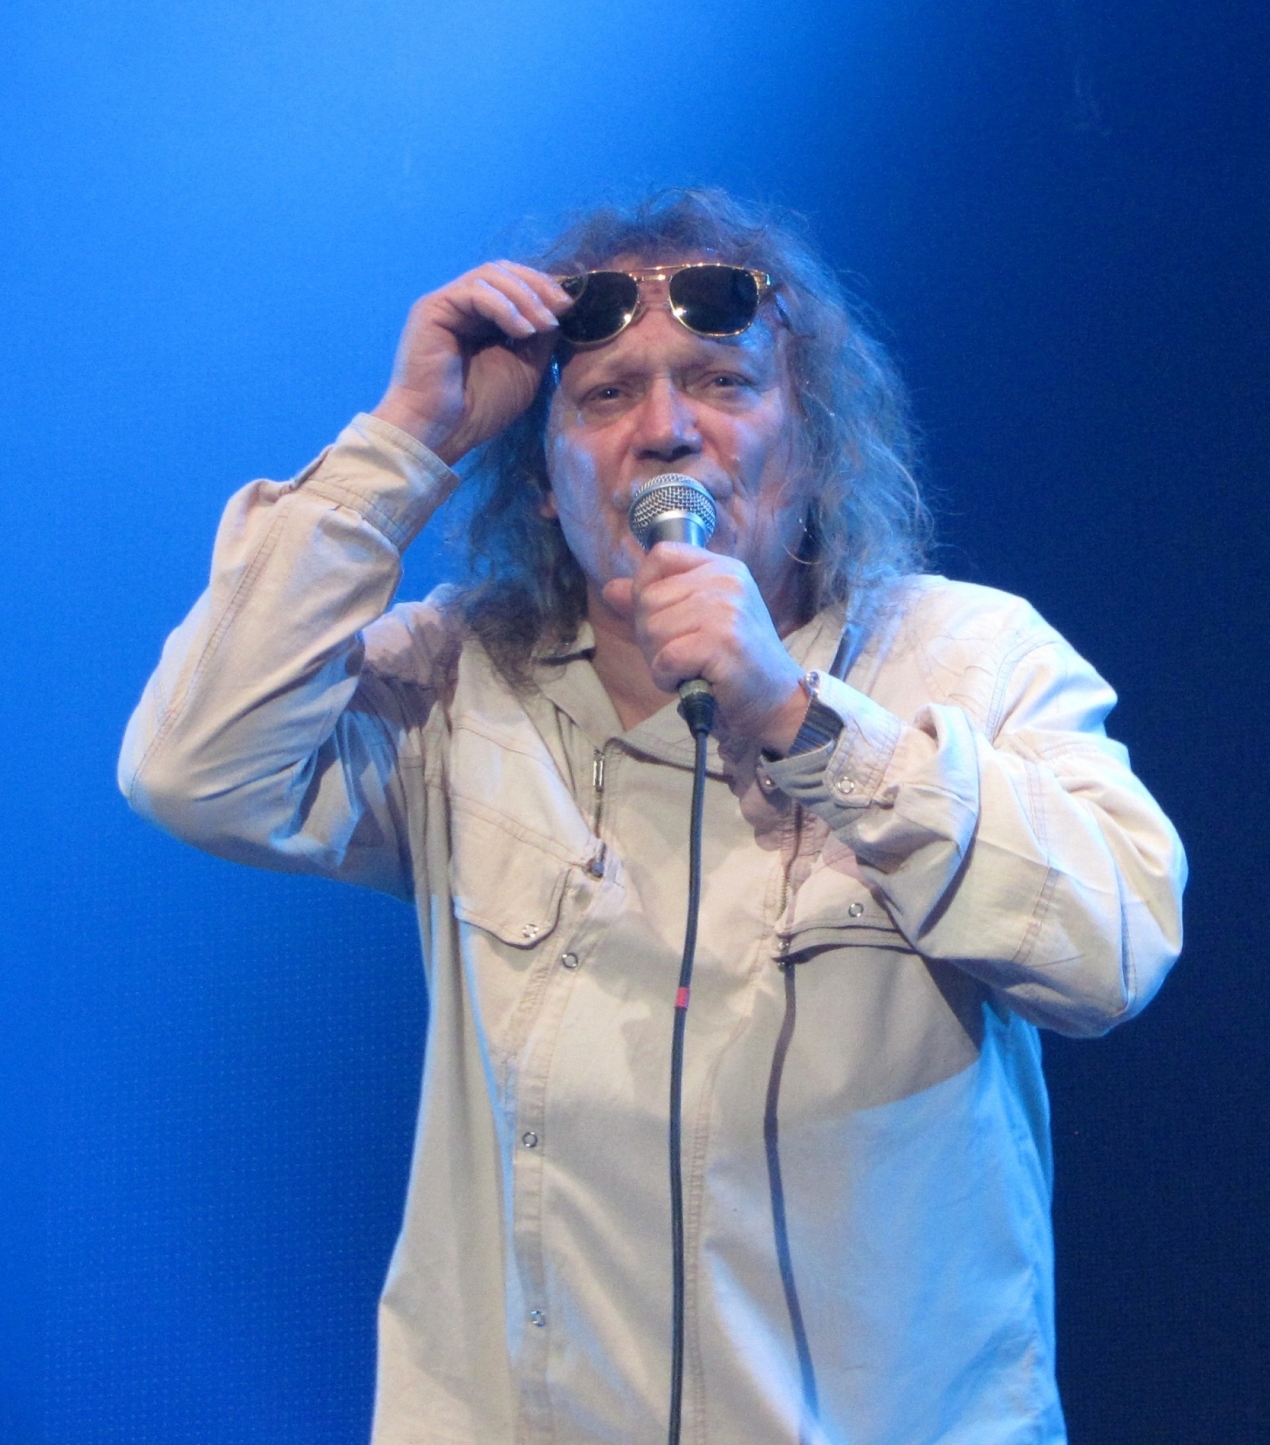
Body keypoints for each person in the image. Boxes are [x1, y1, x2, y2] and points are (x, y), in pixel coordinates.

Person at [119, 188, 1186, 1445]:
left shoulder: (964, 660)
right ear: (543, 478)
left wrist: (800, 719)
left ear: (815, 445)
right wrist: (405, 438)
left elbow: (1114, 945)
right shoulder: (465, 681)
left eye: (722, 383)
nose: (668, 431)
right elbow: (193, 766)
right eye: (607, 395)